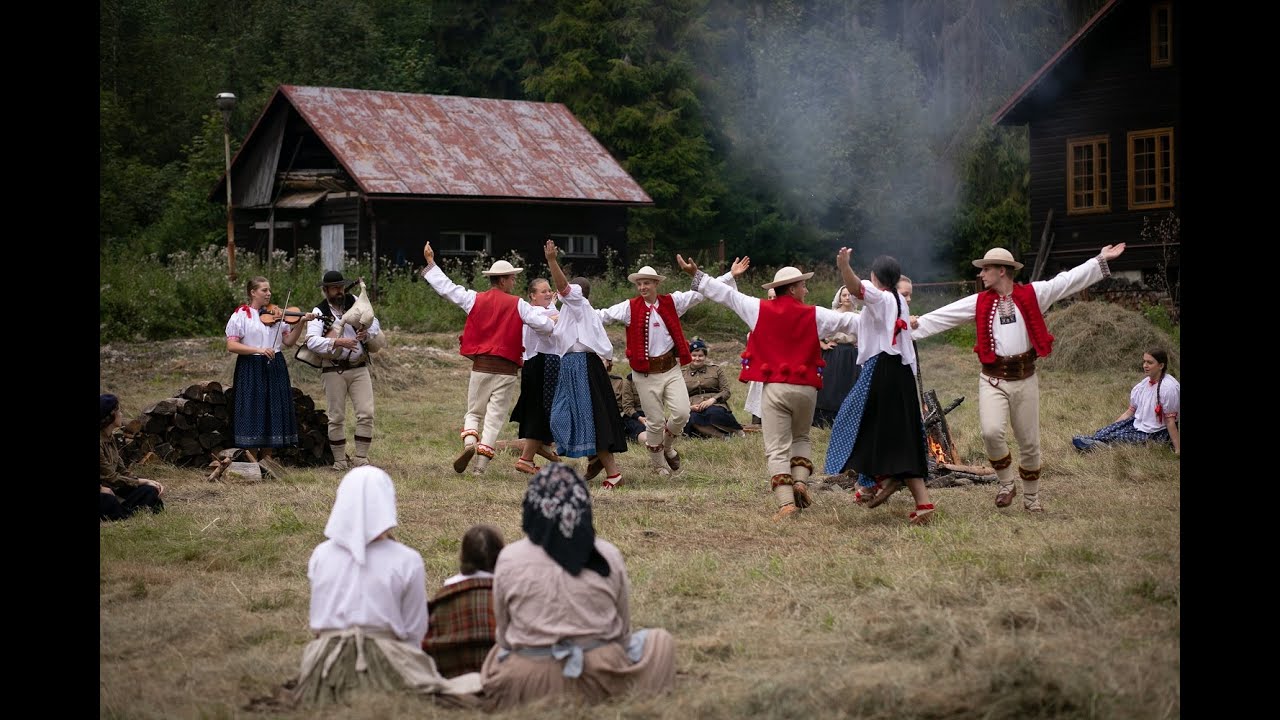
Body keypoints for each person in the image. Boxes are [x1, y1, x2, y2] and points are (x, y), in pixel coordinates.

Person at [911, 243, 1127, 512]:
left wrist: (1099, 260)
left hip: (1025, 378)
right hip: (992, 379)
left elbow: (1066, 281)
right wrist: (913, 326)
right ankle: (1006, 483)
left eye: (986, 269)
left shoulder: (1034, 294)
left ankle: (1032, 500)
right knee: (991, 432)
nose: (981, 274)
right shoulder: (979, 302)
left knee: (1029, 441)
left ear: (1003, 271)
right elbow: (947, 315)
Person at [478, 464, 676, 710]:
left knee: (495, 653)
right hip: (601, 674)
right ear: (583, 508)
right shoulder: (607, 554)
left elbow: (505, 636)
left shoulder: (509, 557)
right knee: (659, 641)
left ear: (531, 509)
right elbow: (622, 633)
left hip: (528, 678)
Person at [675, 254, 859, 520]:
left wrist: (697, 275)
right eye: (803, 286)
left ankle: (786, 503)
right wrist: (895, 319)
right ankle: (800, 482)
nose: (806, 290)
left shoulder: (758, 308)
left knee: (776, 446)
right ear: (794, 288)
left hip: (775, 389)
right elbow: (852, 322)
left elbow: (727, 295)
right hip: (807, 389)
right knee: (802, 438)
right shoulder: (816, 314)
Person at [293, 466, 481, 706]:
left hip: (324, 663)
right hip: (386, 658)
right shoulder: (406, 559)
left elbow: (317, 624)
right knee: (471, 684)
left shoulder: (321, 554)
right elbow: (414, 631)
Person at [598, 258, 748, 476]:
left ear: (656, 284)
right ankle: (658, 464)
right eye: (639, 284)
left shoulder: (673, 302)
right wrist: (571, 312)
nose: (642, 287)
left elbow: (701, 293)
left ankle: (667, 447)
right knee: (655, 421)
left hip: (670, 369)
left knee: (682, 413)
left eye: (646, 283)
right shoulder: (629, 308)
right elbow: (602, 315)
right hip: (645, 374)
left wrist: (730, 276)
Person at [421, 243, 556, 475]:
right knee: (494, 418)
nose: (515, 282)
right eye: (512, 278)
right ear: (503, 280)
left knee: (474, 411)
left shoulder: (474, 299)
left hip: (481, 364)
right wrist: (552, 319)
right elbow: (544, 326)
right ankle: (480, 468)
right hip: (507, 369)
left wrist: (432, 265)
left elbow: (448, 289)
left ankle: (469, 444)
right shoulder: (519, 304)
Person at [823, 250, 934, 525]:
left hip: (884, 369)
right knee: (896, 431)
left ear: (876, 278)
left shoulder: (883, 297)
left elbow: (855, 288)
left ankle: (878, 480)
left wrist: (844, 266)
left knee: (854, 420)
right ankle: (883, 485)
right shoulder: (898, 301)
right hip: (902, 372)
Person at [543, 240, 628, 489]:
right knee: (563, 416)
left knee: (592, 418)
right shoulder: (573, 312)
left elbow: (565, 288)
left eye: (565, 291)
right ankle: (595, 458)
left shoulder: (578, 303)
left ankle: (613, 472)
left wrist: (552, 261)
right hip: (574, 366)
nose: (560, 293)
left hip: (581, 366)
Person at [304, 271, 382, 471]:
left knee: (366, 413)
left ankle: (361, 459)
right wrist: (337, 341)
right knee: (336, 417)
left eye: (340, 287)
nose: (339, 291)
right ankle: (339, 461)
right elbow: (311, 341)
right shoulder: (319, 310)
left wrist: (366, 334)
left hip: (359, 367)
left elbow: (375, 325)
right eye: (334, 288)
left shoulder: (355, 301)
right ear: (326, 290)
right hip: (333, 370)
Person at [225, 276, 307, 459]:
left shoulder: (277, 314)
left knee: (273, 409)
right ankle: (252, 460)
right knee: (253, 410)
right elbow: (231, 346)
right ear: (253, 292)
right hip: (251, 367)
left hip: (275, 364)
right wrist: (259, 350)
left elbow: (289, 342)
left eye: (269, 290)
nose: (268, 293)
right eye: (264, 290)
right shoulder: (241, 315)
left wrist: (301, 323)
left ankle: (267, 460)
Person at [423, 524, 506, 678]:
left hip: (453, 679)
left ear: (462, 556)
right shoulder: (509, 598)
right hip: (500, 678)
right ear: (501, 557)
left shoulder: (443, 598)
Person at [1073, 347, 1180, 455]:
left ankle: (1099, 447)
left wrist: (1178, 450)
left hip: (1155, 432)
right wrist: (1111, 428)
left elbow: (1170, 421)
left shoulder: (1168, 387)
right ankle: (1095, 442)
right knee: (1104, 432)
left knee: (1119, 438)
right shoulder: (1143, 385)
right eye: (1144, 361)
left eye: (1150, 363)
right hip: (1139, 424)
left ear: (1161, 366)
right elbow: (1130, 412)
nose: (1145, 365)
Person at [508, 277, 563, 474]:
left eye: (549, 290)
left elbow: (552, 315)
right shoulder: (534, 312)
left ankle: (544, 445)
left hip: (540, 363)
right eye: (543, 292)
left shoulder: (543, 310)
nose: (548, 294)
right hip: (542, 363)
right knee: (541, 410)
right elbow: (550, 322)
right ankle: (527, 458)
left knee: (545, 409)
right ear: (532, 296)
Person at [100, 393, 165, 521]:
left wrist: (148, 482)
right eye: (118, 411)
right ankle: (124, 512)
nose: (121, 414)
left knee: (149, 490)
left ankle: (125, 511)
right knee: (108, 501)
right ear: (111, 415)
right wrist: (143, 481)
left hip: (114, 488)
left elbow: (122, 470)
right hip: (104, 492)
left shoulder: (110, 438)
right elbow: (111, 477)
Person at [813, 285, 861, 428]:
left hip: (852, 355)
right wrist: (823, 345)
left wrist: (861, 344)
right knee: (831, 385)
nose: (847, 297)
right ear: (839, 298)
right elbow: (814, 330)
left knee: (850, 386)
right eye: (844, 295)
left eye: (849, 295)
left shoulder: (859, 315)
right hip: (834, 353)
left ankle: (847, 421)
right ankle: (825, 420)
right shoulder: (831, 314)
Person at [682, 337, 744, 439]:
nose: (697, 359)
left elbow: (726, 391)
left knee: (713, 412)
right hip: (693, 406)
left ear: (705, 357)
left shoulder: (716, 370)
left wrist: (713, 400)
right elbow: (678, 397)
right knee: (691, 418)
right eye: (694, 355)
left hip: (715, 403)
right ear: (689, 356)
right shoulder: (682, 374)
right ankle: (723, 436)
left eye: (700, 356)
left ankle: (735, 430)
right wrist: (689, 407)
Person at [742, 287, 775, 426]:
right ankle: (757, 422)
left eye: (775, 297)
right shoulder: (760, 315)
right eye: (770, 297)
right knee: (759, 392)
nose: (773, 300)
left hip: (779, 364)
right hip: (762, 363)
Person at [608, 362, 647, 443]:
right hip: (635, 416)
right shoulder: (629, 381)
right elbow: (627, 407)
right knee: (646, 438)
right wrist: (640, 418)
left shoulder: (656, 379)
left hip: (652, 415)